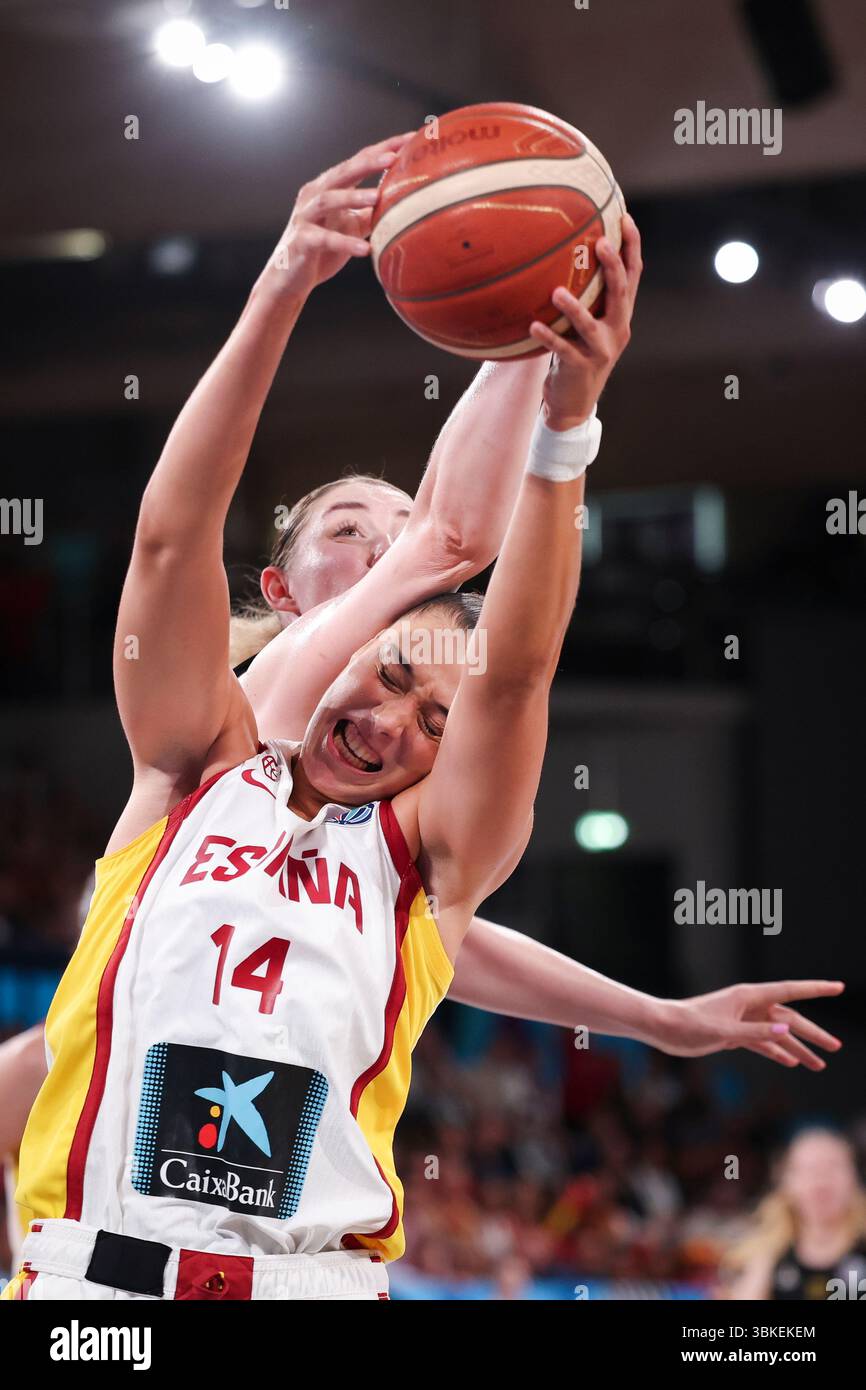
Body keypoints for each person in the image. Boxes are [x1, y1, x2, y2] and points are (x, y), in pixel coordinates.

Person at [1, 132, 843, 1290]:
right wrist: (283, 282)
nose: (387, 554)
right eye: (351, 533)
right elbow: (179, 534)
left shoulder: (422, 859)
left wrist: (552, 374)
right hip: (100, 1289)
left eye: (429, 701)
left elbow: (505, 655)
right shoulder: (196, 756)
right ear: (283, 591)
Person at [722, 1128, 866, 1300]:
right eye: (809, 1168)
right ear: (786, 1182)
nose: (821, 1178)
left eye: (833, 1166)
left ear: (854, 1178)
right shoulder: (764, 1254)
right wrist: (759, 1271)